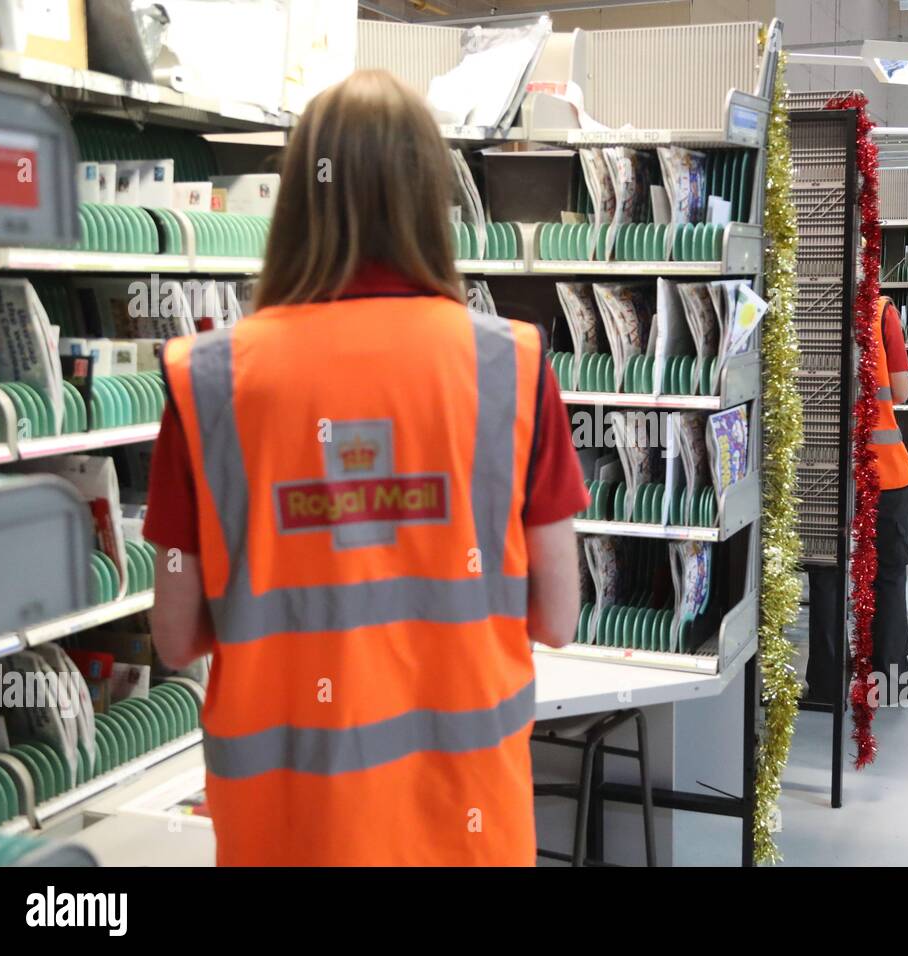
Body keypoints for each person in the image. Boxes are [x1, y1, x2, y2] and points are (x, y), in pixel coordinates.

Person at [145, 70, 588, 865]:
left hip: (286, 830)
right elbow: (557, 614)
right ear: (431, 196)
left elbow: (177, 637)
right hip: (465, 823)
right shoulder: (511, 369)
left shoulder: (209, 379)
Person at [806, 296, 908, 705]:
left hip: (822, 474)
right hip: (885, 472)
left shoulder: (804, 307)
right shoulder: (881, 311)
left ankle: (826, 683)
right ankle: (889, 676)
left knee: (827, 575)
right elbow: (902, 389)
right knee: (886, 572)